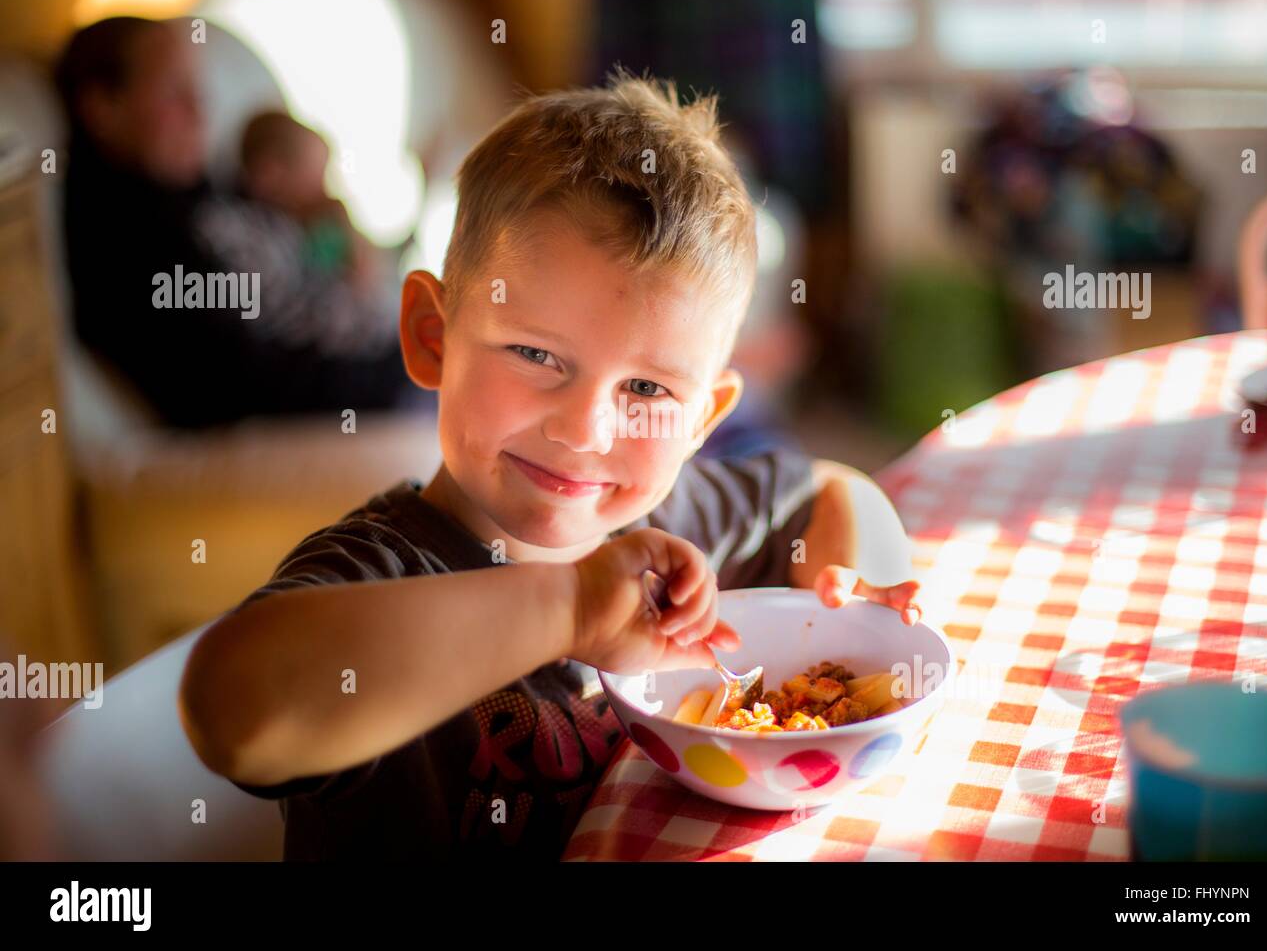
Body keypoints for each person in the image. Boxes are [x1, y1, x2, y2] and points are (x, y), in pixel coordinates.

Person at [178, 70, 922, 860]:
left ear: (703, 419)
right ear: (432, 336)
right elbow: (234, 711)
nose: (585, 428)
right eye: (535, 354)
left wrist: (850, 611)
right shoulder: (380, 573)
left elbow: (840, 492)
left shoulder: (667, 525)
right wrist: (568, 609)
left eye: (646, 387)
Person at [56, 16, 410, 428]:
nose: (199, 110)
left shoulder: (193, 189)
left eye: (197, 88)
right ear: (103, 108)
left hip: (386, 346)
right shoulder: (131, 239)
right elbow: (242, 381)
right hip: (379, 379)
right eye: (173, 92)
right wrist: (405, 368)